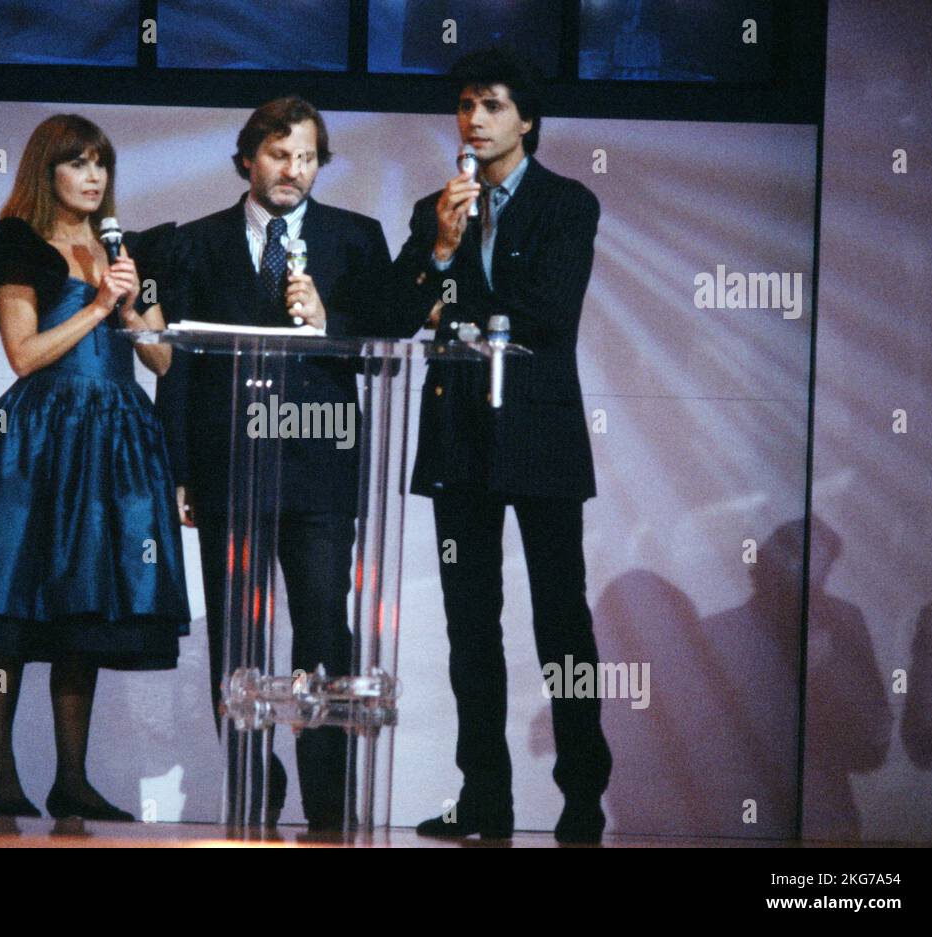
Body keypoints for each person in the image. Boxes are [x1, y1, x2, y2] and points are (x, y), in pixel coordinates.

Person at [0, 113, 190, 820]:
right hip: (41, 436)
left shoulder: (123, 251)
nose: (94, 177)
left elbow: (160, 359)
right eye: (78, 163)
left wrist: (130, 307)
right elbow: (25, 354)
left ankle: (73, 774)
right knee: (12, 599)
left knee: (85, 605)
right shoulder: (20, 248)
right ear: (49, 171)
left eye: (102, 164)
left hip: (117, 438)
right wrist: (98, 305)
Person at [155, 96, 399, 831]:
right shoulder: (197, 243)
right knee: (236, 638)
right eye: (278, 154)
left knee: (325, 628)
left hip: (320, 467)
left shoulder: (357, 239)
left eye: (307, 156)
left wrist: (329, 322)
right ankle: (252, 788)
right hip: (231, 468)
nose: (293, 170)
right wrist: (178, 469)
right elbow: (182, 366)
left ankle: (327, 803)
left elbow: (385, 344)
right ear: (246, 160)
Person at [390, 49, 612, 843]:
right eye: (463, 105)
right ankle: (484, 793)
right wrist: (443, 252)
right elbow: (396, 310)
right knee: (468, 622)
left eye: (490, 105)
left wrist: (466, 297)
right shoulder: (434, 210)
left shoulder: (566, 204)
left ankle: (583, 790)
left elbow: (551, 310)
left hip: (540, 434)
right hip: (459, 438)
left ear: (526, 119)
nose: (473, 120)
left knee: (562, 619)